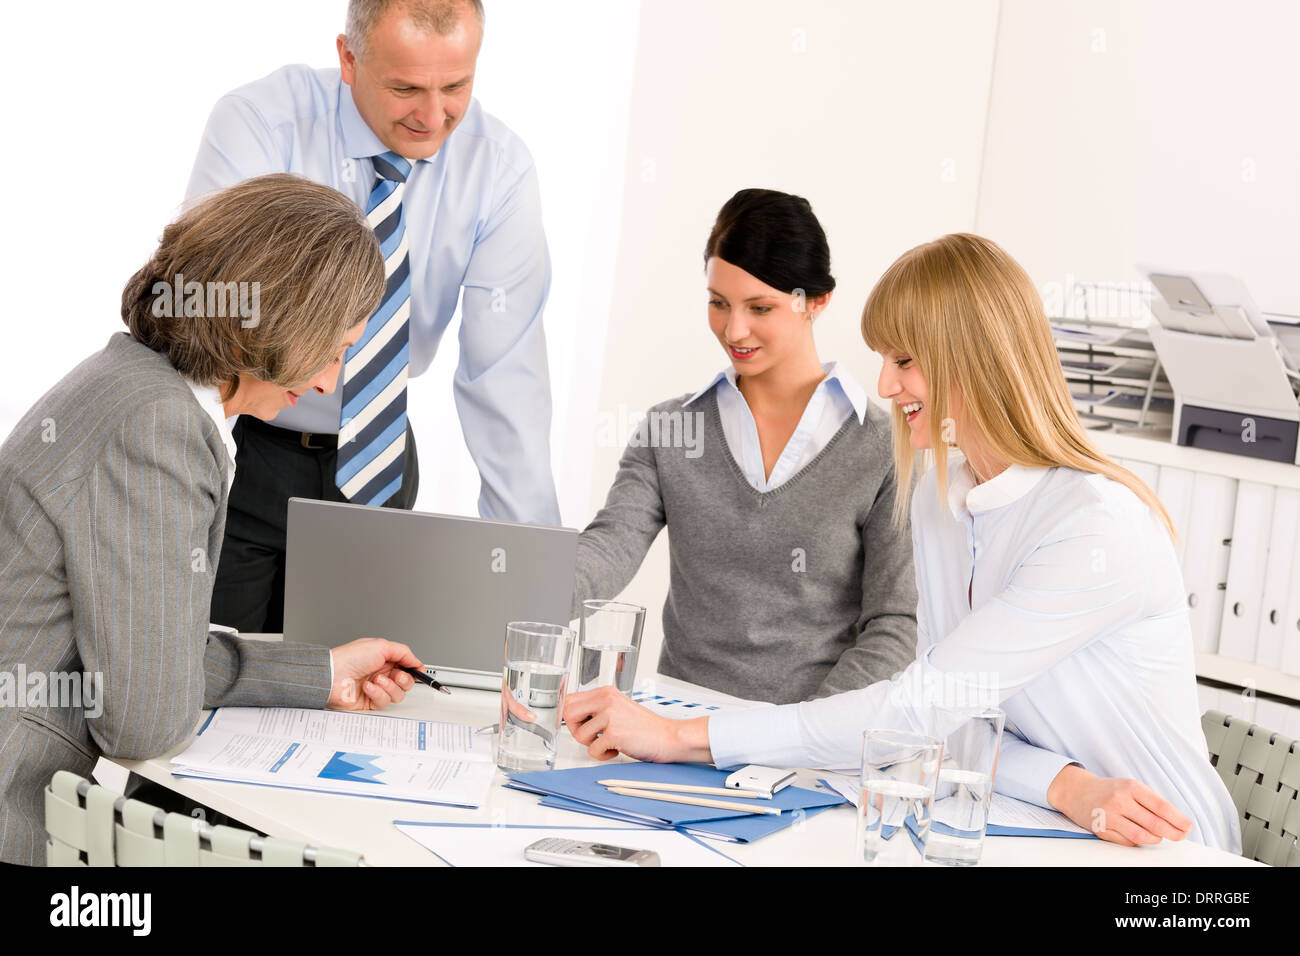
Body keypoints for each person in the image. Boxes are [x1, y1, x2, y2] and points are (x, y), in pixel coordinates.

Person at [563, 233, 1243, 853]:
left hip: (1168, 845)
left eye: (906, 361)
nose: (886, 386)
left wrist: (680, 737)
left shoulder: (1093, 527)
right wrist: (1065, 784)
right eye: (884, 361)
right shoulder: (940, 496)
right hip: (1036, 817)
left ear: (974, 361)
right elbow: (947, 723)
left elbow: (913, 710)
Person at [0, 175, 426, 867]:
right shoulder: (158, 428)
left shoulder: (131, 383)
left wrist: (322, 671)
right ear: (268, 324)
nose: (327, 383)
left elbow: (155, 656)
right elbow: (145, 723)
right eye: (332, 349)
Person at [186, 0, 562, 633]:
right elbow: (207, 314)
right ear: (348, 58)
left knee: (354, 690)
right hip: (251, 455)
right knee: (215, 676)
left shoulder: (497, 169)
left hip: (382, 461)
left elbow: (507, 382)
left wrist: (532, 590)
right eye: (406, 87)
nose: (433, 115)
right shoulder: (262, 124)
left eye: (456, 87)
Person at [573, 189, 916, 704]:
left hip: (805, 751)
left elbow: (894, 624)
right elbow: (608, 546)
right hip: (672, 729)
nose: (734, 330)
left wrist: (800, 735)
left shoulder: (885, 449)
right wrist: (520, 590)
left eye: (760, 307)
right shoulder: (671, 428)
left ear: (816, 301)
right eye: (718, 303)